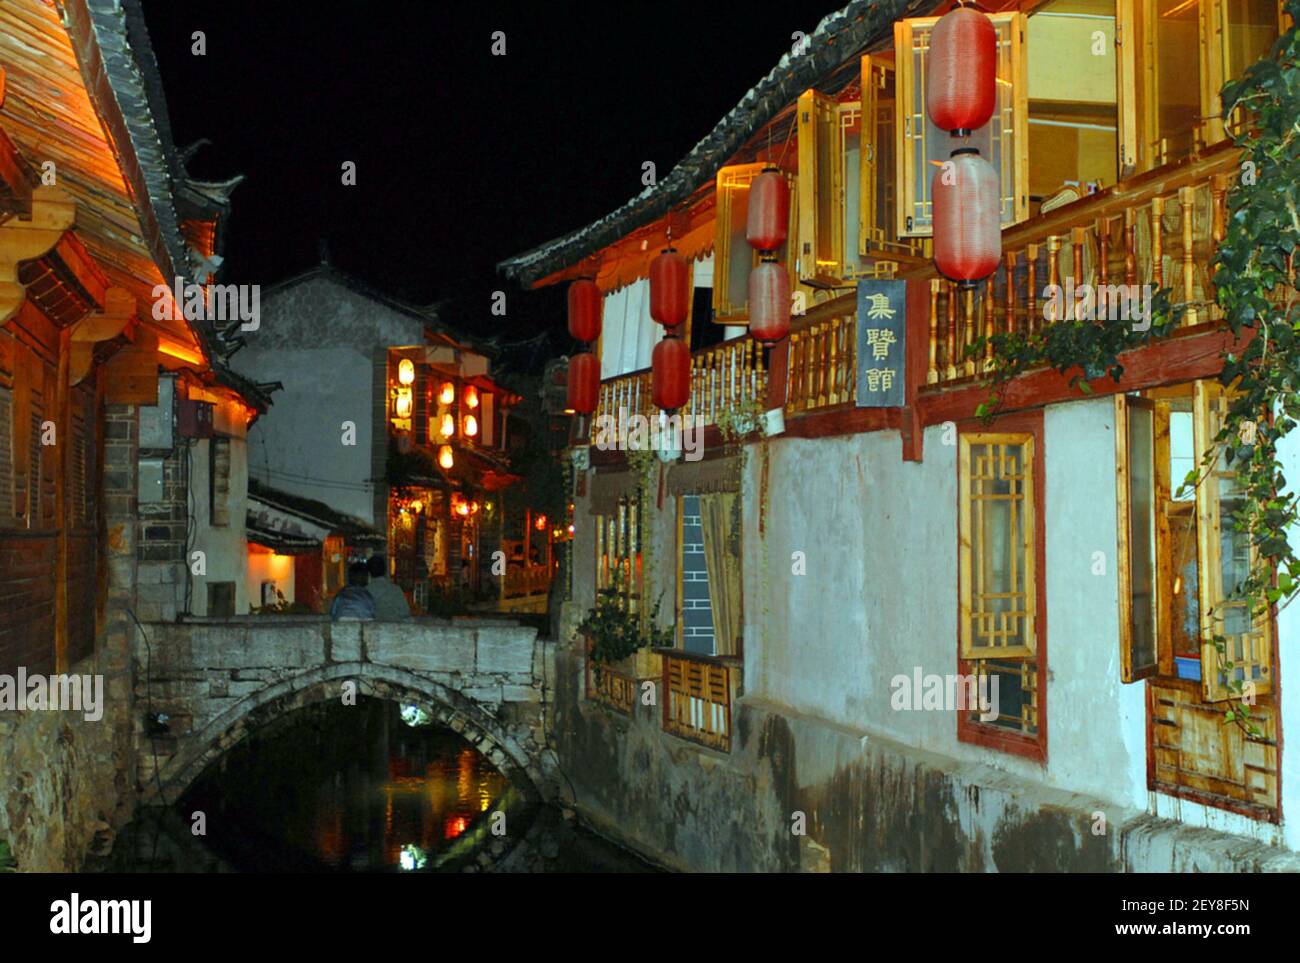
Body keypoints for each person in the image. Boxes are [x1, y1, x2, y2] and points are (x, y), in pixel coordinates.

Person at [366, 555, 412, 620]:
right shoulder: (396, 590)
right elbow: (405, 612)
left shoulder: (365, 592)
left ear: (369, 572)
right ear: (385, 570)